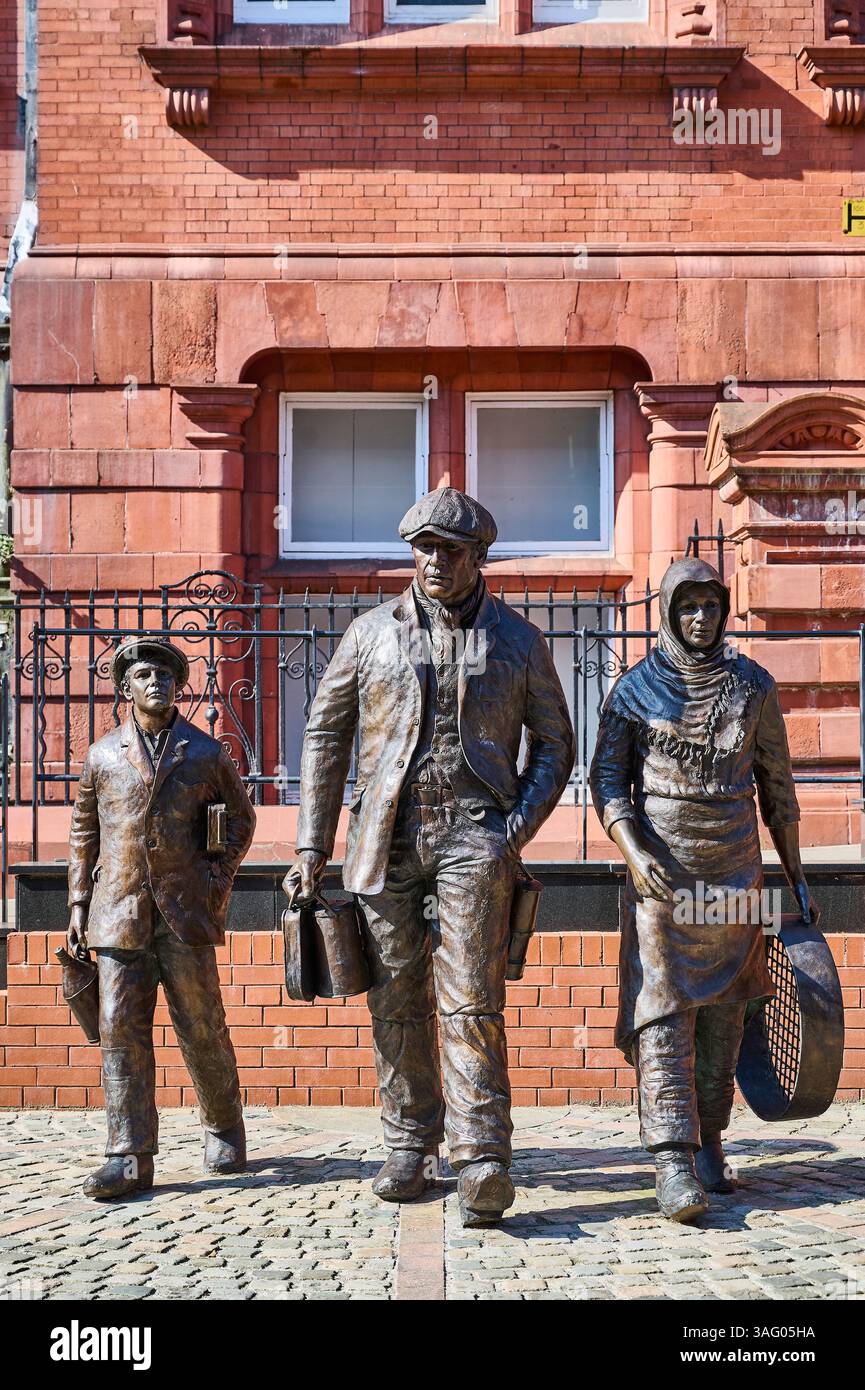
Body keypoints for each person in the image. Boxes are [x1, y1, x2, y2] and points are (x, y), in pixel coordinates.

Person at [288, 487, 575, 1226]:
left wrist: (513, 830)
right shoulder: (368, 634)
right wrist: (312, 845)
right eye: (424, 549)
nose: (434, 562)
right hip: (383, 837)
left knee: (471, 997)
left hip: (474, 834)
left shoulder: (516, 640)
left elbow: (555, 743)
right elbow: (325, 737)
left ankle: (481, 1156)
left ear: (479, 557)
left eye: (450, 550)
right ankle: (409, 1143)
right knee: (394, 996)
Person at [589, 558, 814, 1222]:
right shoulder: (632, 691)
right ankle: (669, 1160)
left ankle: (710, 1143)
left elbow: (778, 785)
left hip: (736, 866)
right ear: (666, 612)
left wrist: (795, 874)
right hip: (662, 869)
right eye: (686, 607)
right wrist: (632, 851)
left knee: (727, 1007)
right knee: (662, 1009)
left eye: (709, 606)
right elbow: (607, 783)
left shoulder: (751, 686)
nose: (699, 618)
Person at [67, 635, 256, 1200]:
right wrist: (78, 905)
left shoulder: (204, 752)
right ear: (126, 689)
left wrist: (215, 886)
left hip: (184, 913)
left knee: (202, 1025)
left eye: (167, 676)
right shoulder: (102, 756)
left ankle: (224, 1126)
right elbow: (83, 833)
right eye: (144, 676)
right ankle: (128, 1154)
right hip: (117, 913)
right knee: (119, 1031)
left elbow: (240, 825)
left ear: (180, 687)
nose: (157, 683)